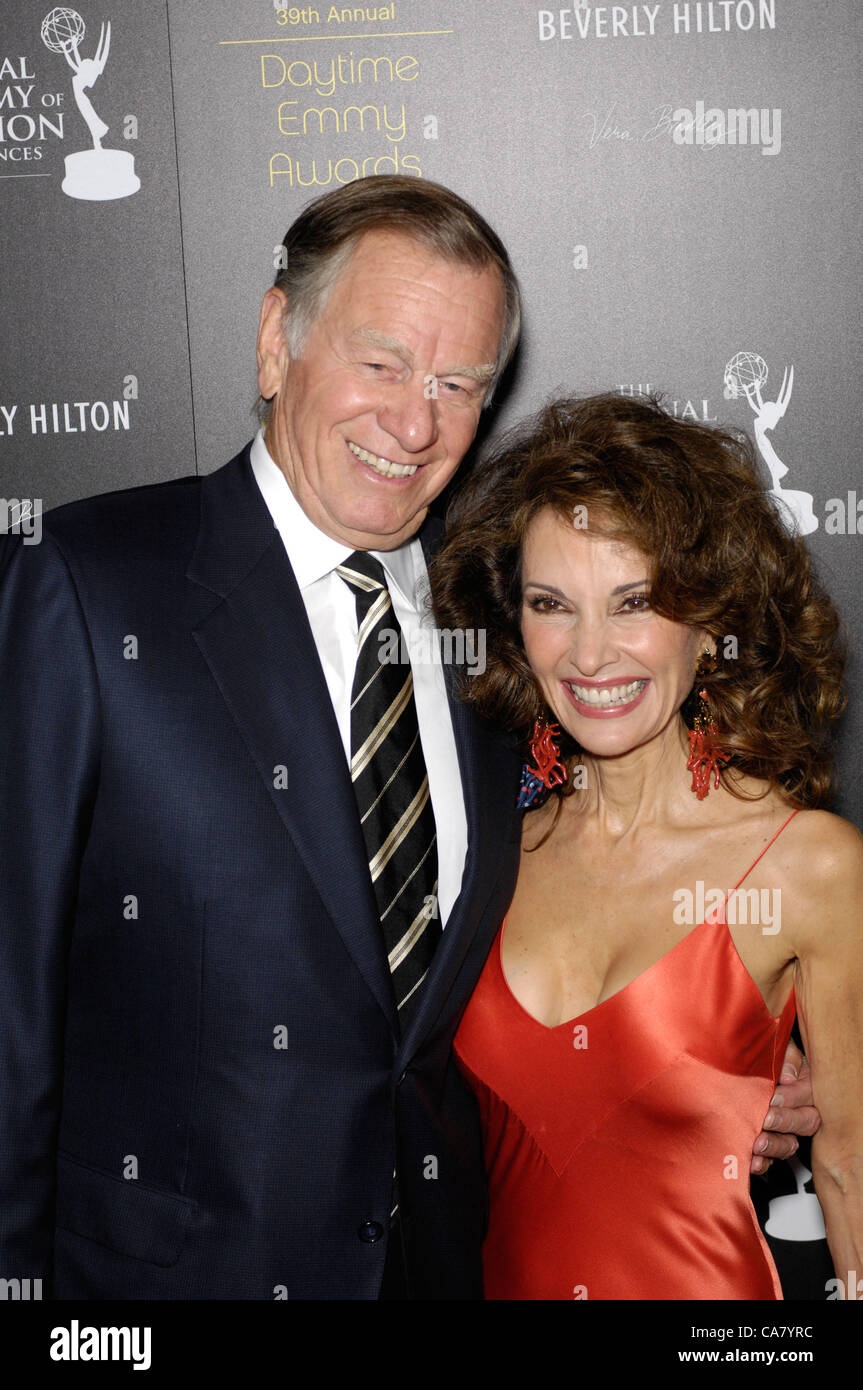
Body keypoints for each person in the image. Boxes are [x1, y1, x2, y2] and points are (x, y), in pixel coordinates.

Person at [0, 179, 816, 1301]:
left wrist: (722, 1075)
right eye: (380, 364)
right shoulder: (94, 587)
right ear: (277, 341)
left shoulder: (504, 629)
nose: (414, 422)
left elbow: (579, 938)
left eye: (457, 384)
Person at [429, 391, 862, 1300]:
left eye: (633, 604)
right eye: (552, 604)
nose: (589, 655)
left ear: (708, 624)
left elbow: (853, 1178)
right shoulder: (483, 855)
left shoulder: (806, 865)